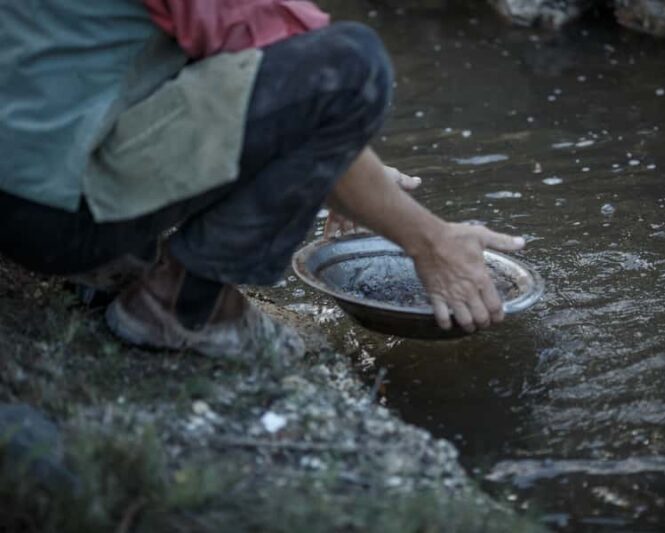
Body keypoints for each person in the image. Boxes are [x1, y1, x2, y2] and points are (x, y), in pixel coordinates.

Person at [0, 0, 525, 359]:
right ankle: (187, 309)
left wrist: (339, 162)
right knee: (352, 65)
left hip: (20, 195)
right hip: (58, 217)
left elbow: (228, 67)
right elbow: (312, 80)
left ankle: (114, 265)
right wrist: (432, 242)